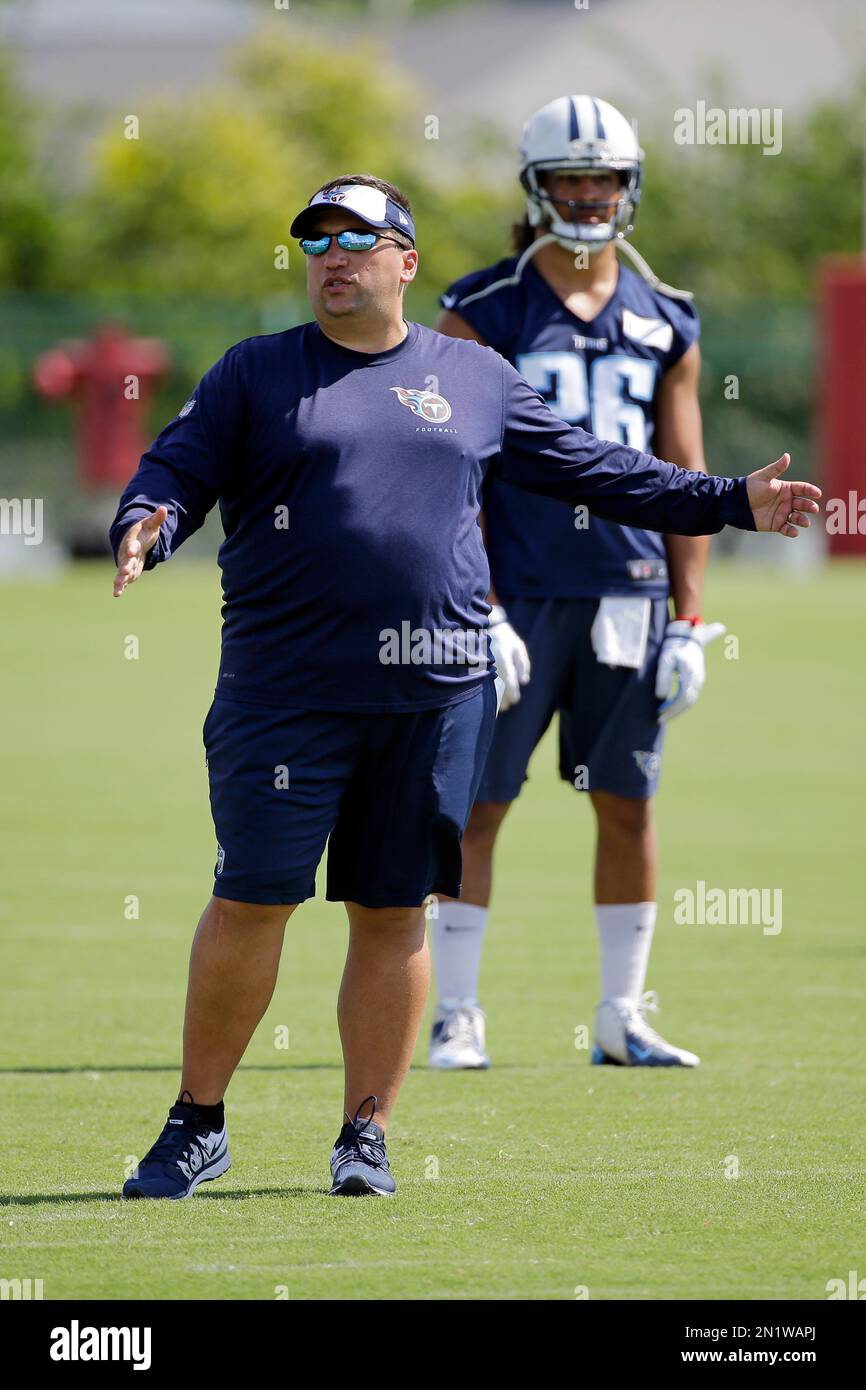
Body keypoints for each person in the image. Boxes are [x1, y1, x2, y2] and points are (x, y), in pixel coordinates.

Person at [109, 171, 818, 1200]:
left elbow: (598, 468)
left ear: (405, 260)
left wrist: (730, 502)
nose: (333, 259)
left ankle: (365, 1135)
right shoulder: (255, 374)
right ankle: (198, 1122)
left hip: (434, 695)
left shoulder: (472, 375)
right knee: (252, 901)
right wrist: (150, 519)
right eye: (316, 243)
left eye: (357, 240)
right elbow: (176, 467)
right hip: (282, 696)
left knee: (393, 911)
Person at [427, 95, 790, 1069]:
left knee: (626, 802)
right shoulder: (481, 310)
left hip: (626, 592)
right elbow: (449, 474)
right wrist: (478, 605)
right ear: (535, 188)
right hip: (513, 589)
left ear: (628, 190)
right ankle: (453, 1010)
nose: (587, 196)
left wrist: (692, 619)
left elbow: (687, 473)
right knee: (476, 801)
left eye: (603, 180)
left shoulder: (663, 316)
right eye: (568, 179)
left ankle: (618, 1014)